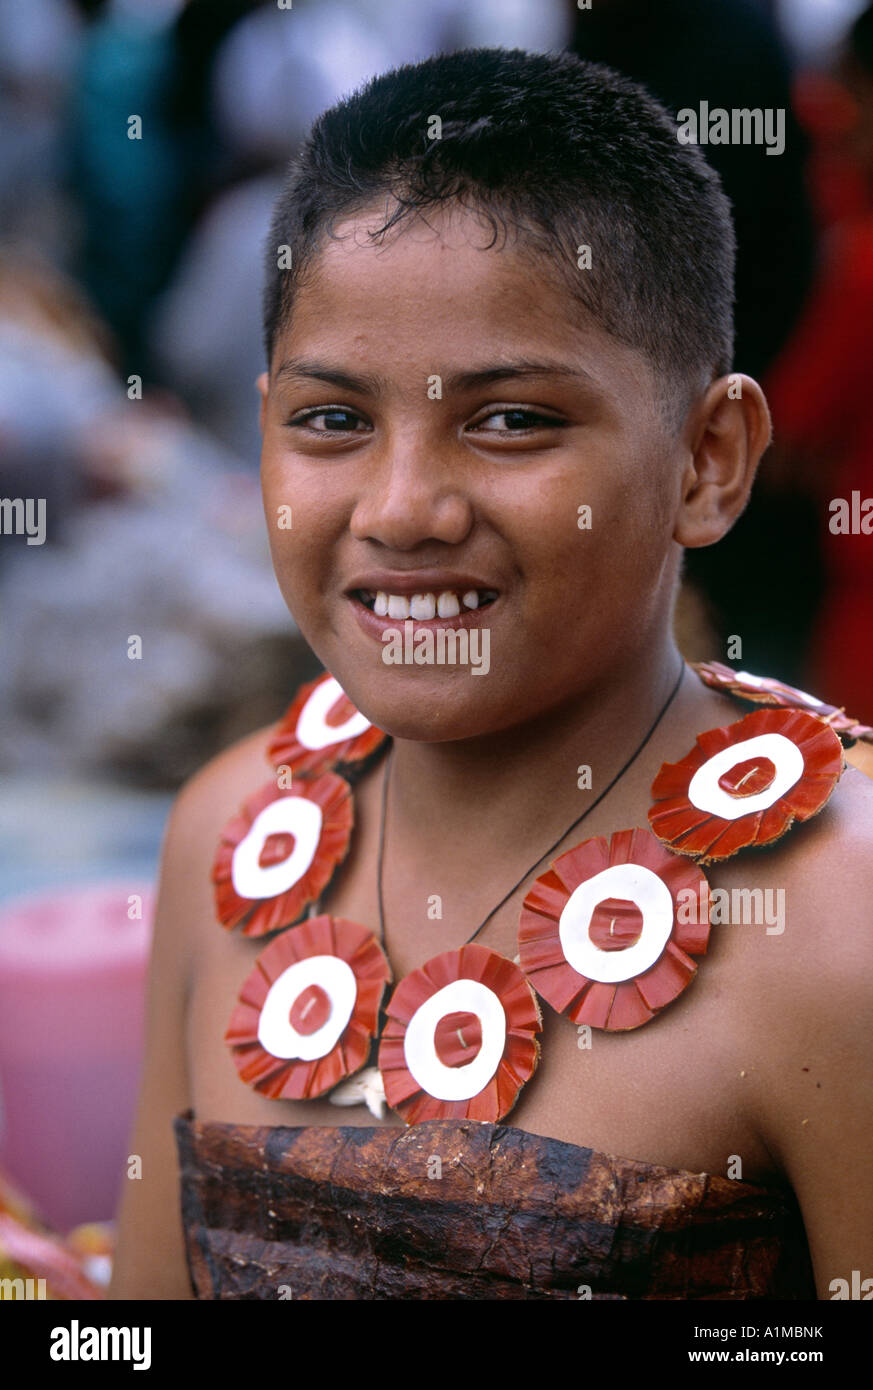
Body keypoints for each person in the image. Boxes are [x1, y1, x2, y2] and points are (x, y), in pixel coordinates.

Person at [109, 48, 873, 1300]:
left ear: (709, 460)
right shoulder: (227, 835)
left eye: (511, 418)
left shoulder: (845, 922)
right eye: (333, 421)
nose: (403, 508)